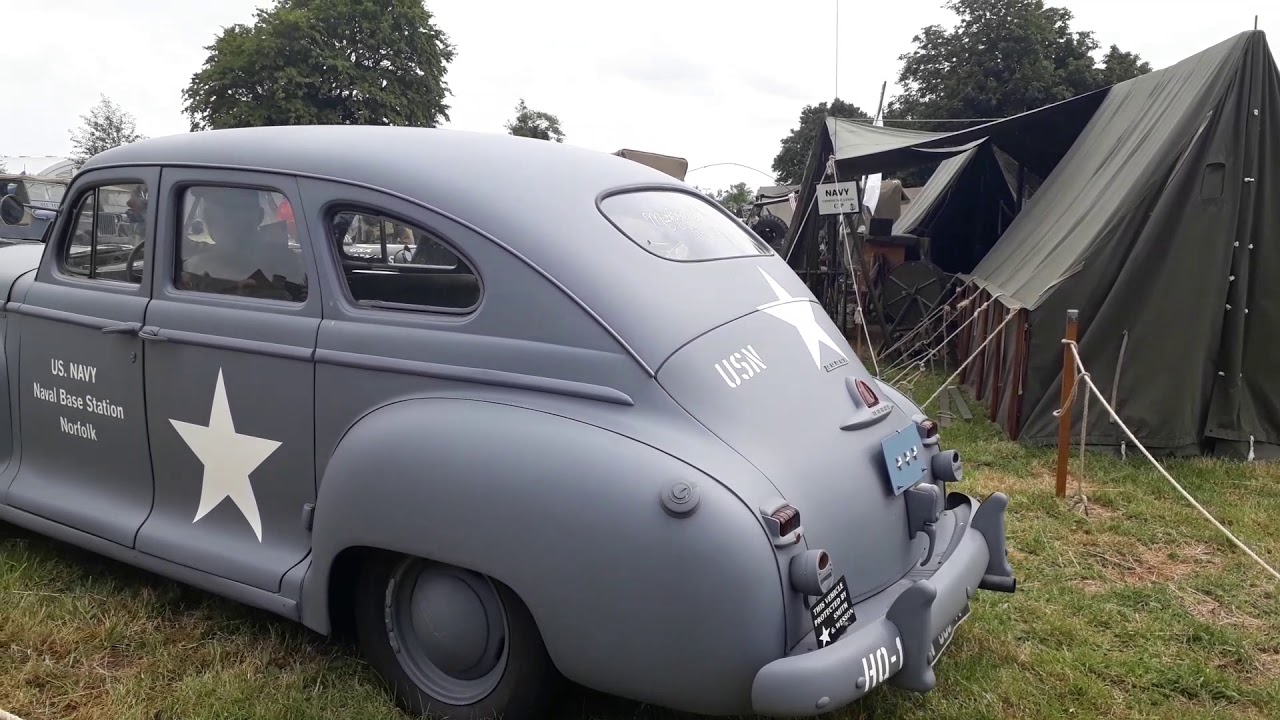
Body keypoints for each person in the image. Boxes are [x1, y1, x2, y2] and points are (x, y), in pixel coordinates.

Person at [179, 187, 306, 301]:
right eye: (227, 217)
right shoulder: (193, 270)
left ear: (259, 217)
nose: (235, 225)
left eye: (242, 219)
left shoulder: (286, 261)